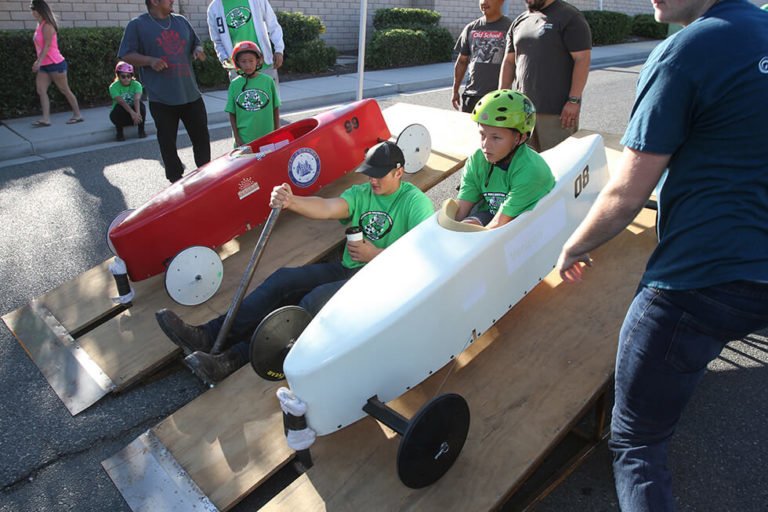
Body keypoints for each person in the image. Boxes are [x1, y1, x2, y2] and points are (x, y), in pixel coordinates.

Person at [556, 1, 768, 510]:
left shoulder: (685, 52)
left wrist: (574, 245)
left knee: (638, 444)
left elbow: (627, 193)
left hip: (698, 281)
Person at [155, 141, 435, 384]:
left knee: (312, 302)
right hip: (348, 269)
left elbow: (423, 260)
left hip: (380, 285)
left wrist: (376, 256)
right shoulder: (363, 194)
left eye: (379, 175)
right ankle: (207, 335)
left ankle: (230, 360)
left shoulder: (415, 203)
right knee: (283, 280)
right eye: (369, 174)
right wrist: (291, 201)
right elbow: (327, 207)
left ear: (399, 172)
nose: (372, 181)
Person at [118, 0, 211, 183]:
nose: (173, 1)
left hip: (190, 93)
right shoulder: (137, 25)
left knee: (201, 139)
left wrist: (198, 50)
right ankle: (175, 180)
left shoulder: (181, 21)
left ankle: (205, 177)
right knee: (167, 143)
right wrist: (150, 61)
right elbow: (126, 54)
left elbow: (196, 43)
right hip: (162, 98)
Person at [498, 0, 591, 152]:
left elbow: (582, 59)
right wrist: (501, 97)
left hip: (556, 113)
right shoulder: (519, 21)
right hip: (522, 111)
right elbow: (509, 62)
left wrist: (574, 100)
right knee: (527, 166)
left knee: (557, 166)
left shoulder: (570, 16)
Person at [454, 89, 554, 229]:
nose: (485, 145)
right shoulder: (477, 160)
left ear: (521, 137)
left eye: (496, 138)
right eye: (482, 135)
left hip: (530, 223)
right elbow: (460, 210)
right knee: (467, 225)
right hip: (495, 213)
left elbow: (497, 226)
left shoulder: (531, 171)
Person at [451, 0, 512, 113]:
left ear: (501, 1)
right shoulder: (471, 28)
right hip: (470, 96)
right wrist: (455, 90)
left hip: (497, 97)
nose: (484, 2)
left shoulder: (511, 28)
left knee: (492, 131)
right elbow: (462, 62)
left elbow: (515, 62)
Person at [29, 0, 82, 127]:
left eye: (32, 9)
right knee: (41, 90)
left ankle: (78, 115)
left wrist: (38, 62)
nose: (31, 12)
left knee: (65, 90)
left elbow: (47, 46)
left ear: (39, 10)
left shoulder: (48, 25)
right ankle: (46, 119)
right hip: (45, 65)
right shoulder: (40, 25)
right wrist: (40, 63)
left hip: (55, 63)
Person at [207, 0, 285, 84]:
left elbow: (273, 26)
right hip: (238, 70)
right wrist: (224, 58)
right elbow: (217, 40)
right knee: (241, 97)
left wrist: (279, 50)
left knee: (270, 96)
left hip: (264, 65)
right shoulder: (214, 8)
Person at [226, 41, 280, 147]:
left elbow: (275, 108)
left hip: (267, 136)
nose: (248, 65)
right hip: (245, 138)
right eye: (243, 61)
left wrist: (277, 131)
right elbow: (232, 113)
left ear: (258, 61)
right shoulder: (234, 84)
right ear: (237, 63)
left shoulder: (268, 81)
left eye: (251, 61)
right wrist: (237, 138)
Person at [108, 61, 147, 141]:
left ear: (132, 76)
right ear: (118, 76)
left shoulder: (136, 84)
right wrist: (132, 113)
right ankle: (119, 134)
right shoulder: (113, 87)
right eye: (123, 76)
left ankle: (141, 131)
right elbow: (121, 101)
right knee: (118, 108)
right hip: (120, 117)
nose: (126, 79)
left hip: (134, 118)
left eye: (128, 76)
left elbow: (136, 98)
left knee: (141, 106)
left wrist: (138, 114)